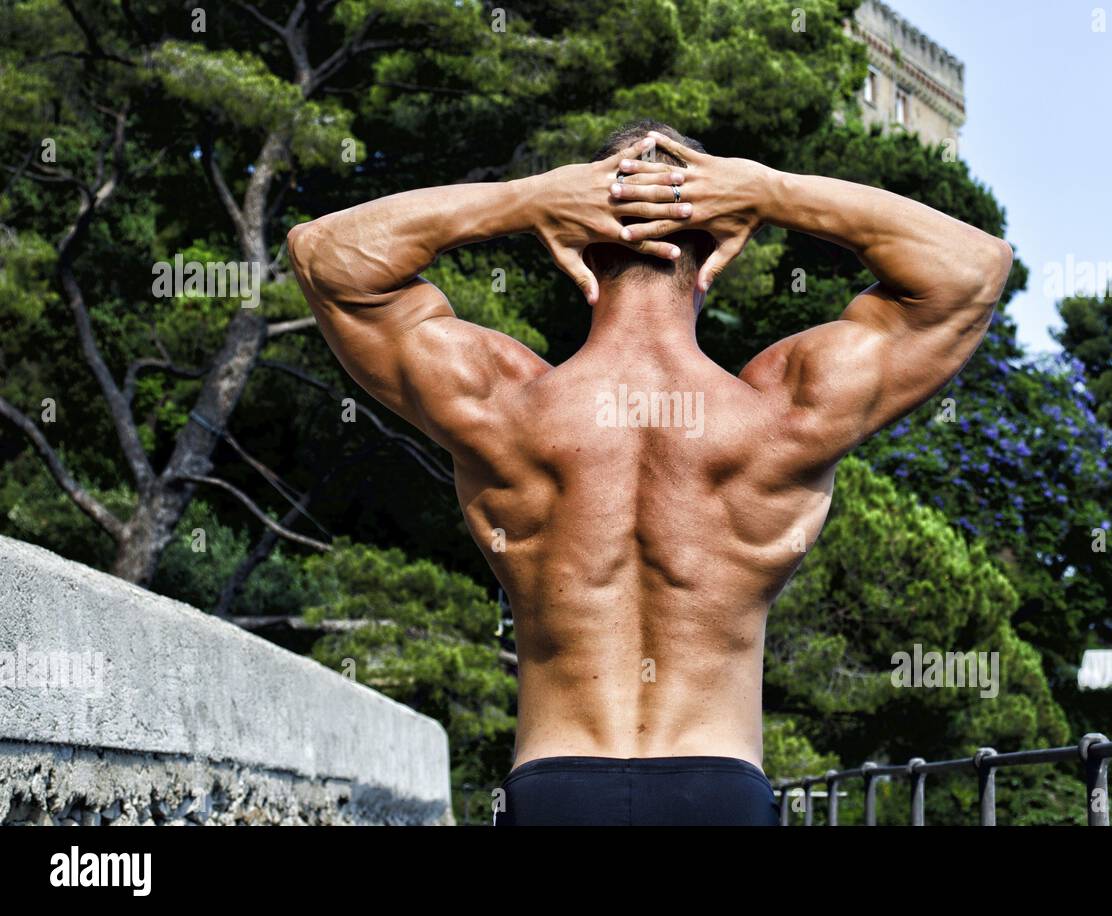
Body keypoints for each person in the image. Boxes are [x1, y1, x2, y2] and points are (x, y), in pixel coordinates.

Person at [286, 120, 1012, 825]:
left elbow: (326, 256)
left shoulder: (504, 406)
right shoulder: (785, 410)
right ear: (713, 256)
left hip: (556, 790)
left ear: (579, 253)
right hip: (718, 793)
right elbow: (973, 269)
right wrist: (770, 192)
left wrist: (530, 199)